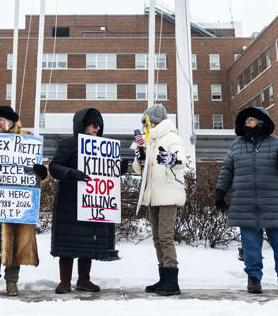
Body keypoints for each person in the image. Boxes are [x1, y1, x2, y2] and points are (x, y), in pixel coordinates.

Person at [215, 106, 278, 294]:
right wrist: (220, 191)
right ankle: (253, 278)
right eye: (245, 119)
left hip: (276, 203)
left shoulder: (277, 143)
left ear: (262, 122)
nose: (247, 121)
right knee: (250, 245)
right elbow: (227, 169)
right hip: (246, 203)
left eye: (251, 119)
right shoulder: (236, 145)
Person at [48, 108, 128, 294]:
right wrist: (71, 173)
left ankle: (84, 280)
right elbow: (54, 167)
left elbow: (107, 173)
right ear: (83, 126)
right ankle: (65, 281)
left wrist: (120, 168)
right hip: (69, 202)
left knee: (87, 242)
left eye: (99, 125)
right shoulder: (68, 144)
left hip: (92, 203)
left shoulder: (103, 147)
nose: (97, 128)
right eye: (94, 124)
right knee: (67, 244)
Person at [0, 105, 48, 296]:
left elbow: (37, 171)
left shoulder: (26, 139)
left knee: (14, 242)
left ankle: (11, 282)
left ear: (10, 122)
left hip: (17, 202)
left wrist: (42, 173)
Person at [132, 104, 185, 296]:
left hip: (168, 195)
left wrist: (171, 159)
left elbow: (181, 160)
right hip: (153, 195)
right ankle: (164, 277)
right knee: (156, 238)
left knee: (165, 236)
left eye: (147, 123)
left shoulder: (171, 137)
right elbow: (139, 170)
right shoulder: (149, 141)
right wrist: (140, 158)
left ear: (154, 122)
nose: (145, 127)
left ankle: (172, 280)